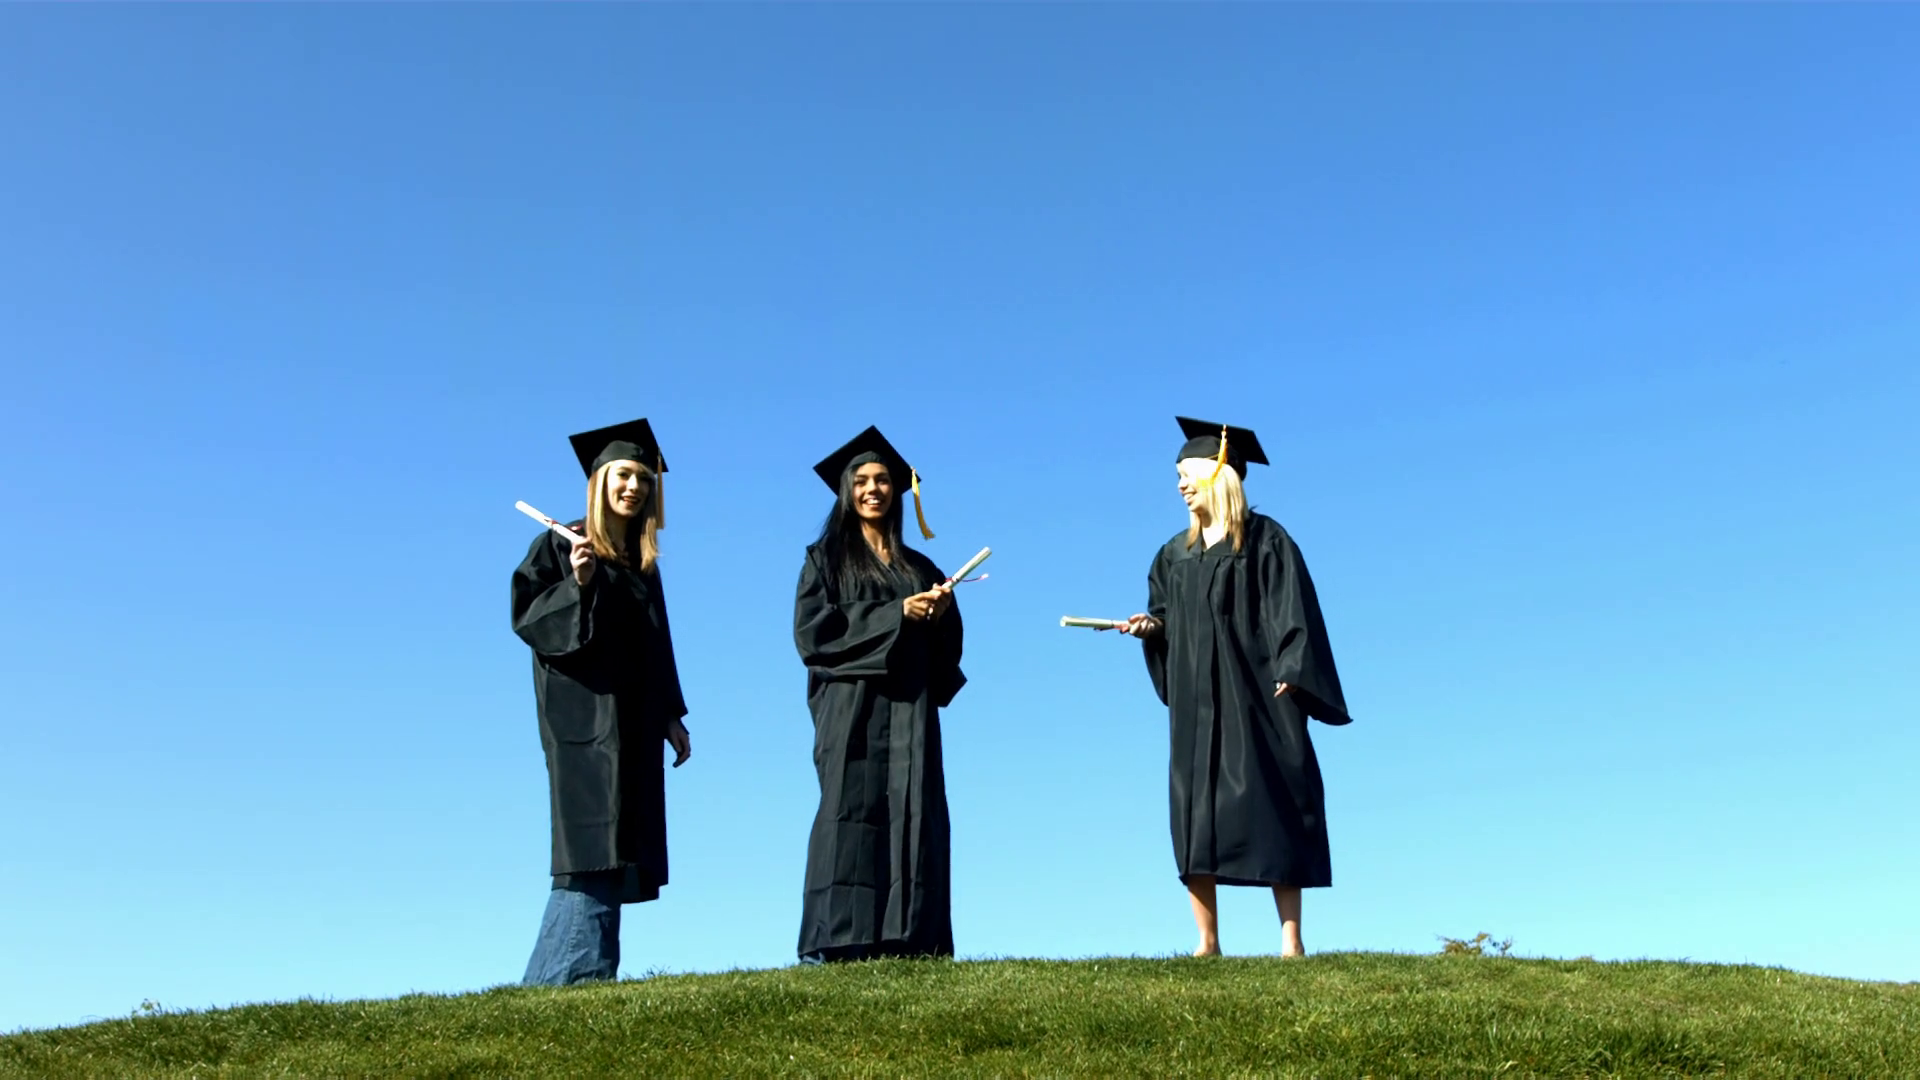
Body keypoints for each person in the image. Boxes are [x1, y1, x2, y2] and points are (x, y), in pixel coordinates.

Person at [1118, 416, 1352, 958]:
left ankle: (1290, 939)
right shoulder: (1172, 556)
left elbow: (1294, 609)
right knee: (1195, 810)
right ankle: (1207, 940)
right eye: (1176, 475)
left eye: (1187, 473)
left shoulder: (1267, 539)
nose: (1179, 484)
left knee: (1278, 802)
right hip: (1199, 702)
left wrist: (1293, 668)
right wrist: (1152, 630)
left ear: (1218, 472)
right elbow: (1165, 618)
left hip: (1260, 693)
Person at [510, 417, 692, 985]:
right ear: (598, 481)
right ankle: (570, 979)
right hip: (584, 724)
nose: (634, 486)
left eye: (642, 478)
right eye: (623, 475)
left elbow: (657, 646)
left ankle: (583, 975)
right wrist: (579, 584)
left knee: (617, 848)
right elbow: (529, 620)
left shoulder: (644, 568)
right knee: (590, 846)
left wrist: (670, 716)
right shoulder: (561, 543)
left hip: (635, 726)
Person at [793, 425, 966, 964]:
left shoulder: (921, 569)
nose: (874, 489)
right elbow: (813, 634)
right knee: (849, 813)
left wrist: (937, 615)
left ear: (897, 491)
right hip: (849, 712)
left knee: (914, 814)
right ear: (847, 491)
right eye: (862, 480)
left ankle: (914, 942)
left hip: (910, 710)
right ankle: (840, 942)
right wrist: (896, 613)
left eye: (884, 480)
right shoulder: (825, 560)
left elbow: (949, 655)